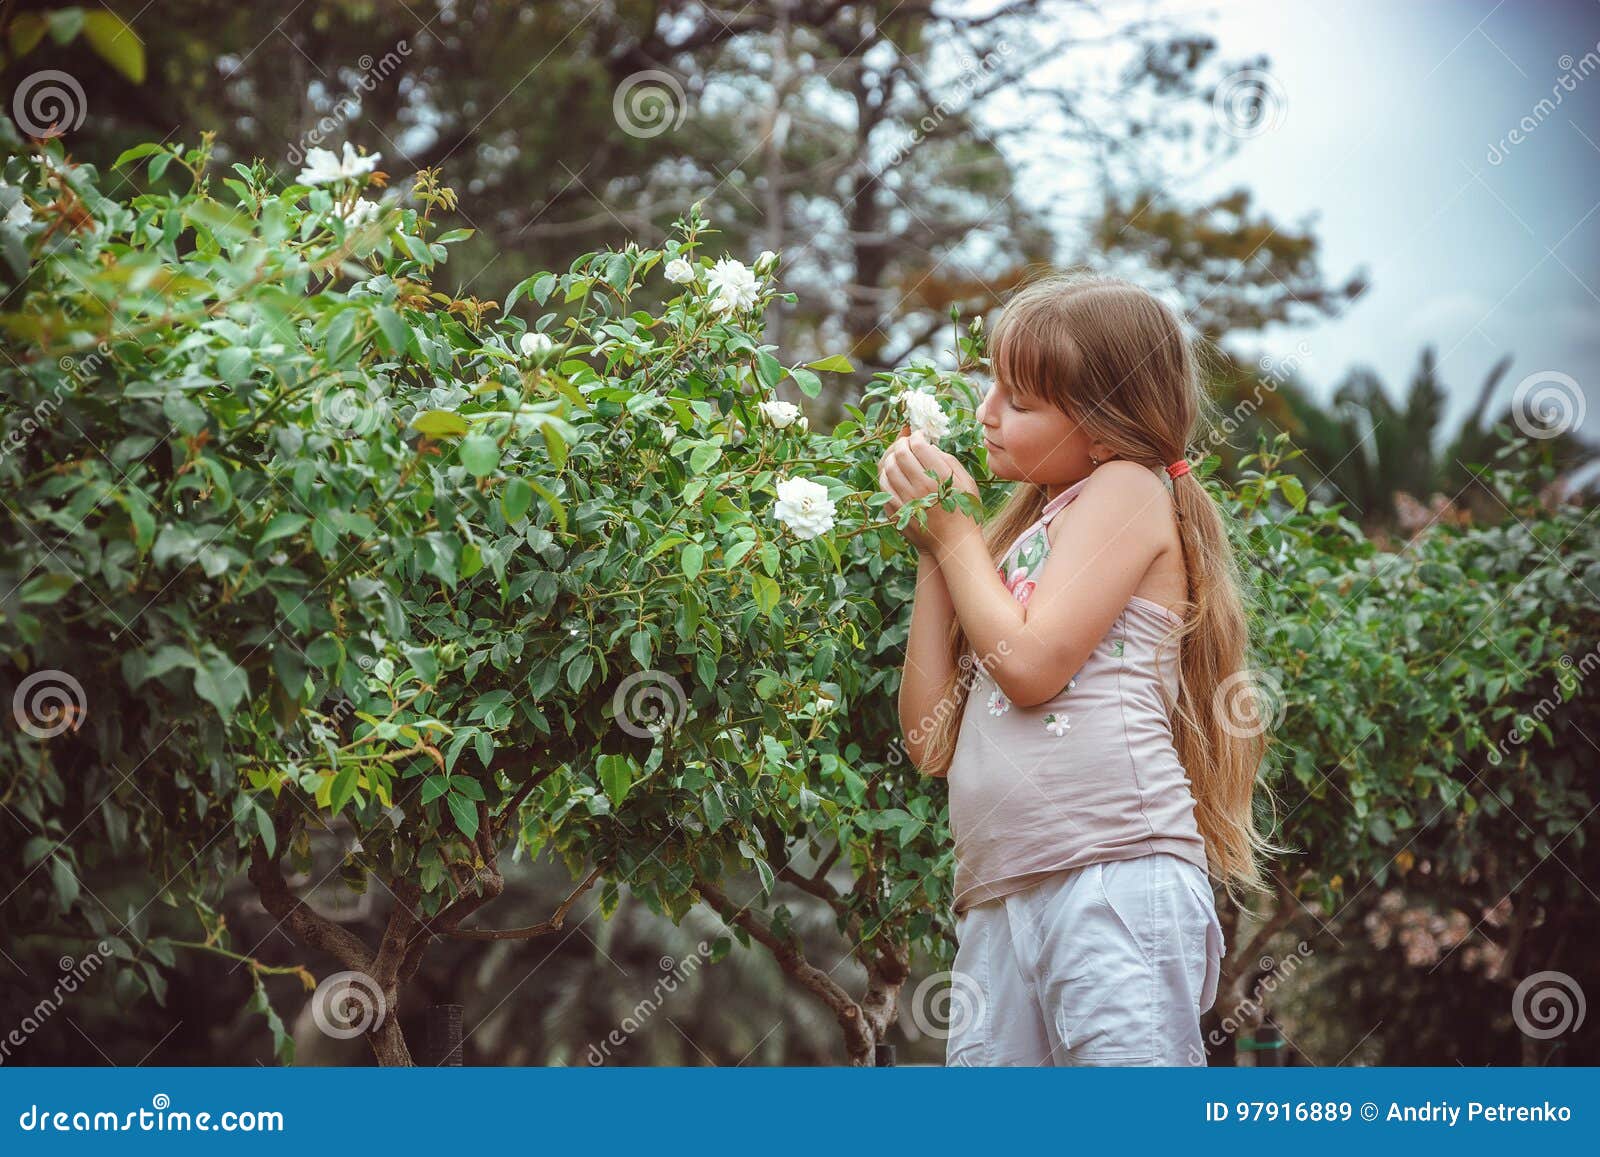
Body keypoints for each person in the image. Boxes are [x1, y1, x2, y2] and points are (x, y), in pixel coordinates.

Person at [879, 272, 1284, 1066]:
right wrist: (935, 548)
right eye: (990, 383)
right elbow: (930, 739)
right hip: (1000, 895)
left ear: (1102, 428)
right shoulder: (1022, 534)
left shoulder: (1126, 490)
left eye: (1020, 401)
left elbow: (1031, 668)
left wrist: (959, 537)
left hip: (1113, 877)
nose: (986, 412)